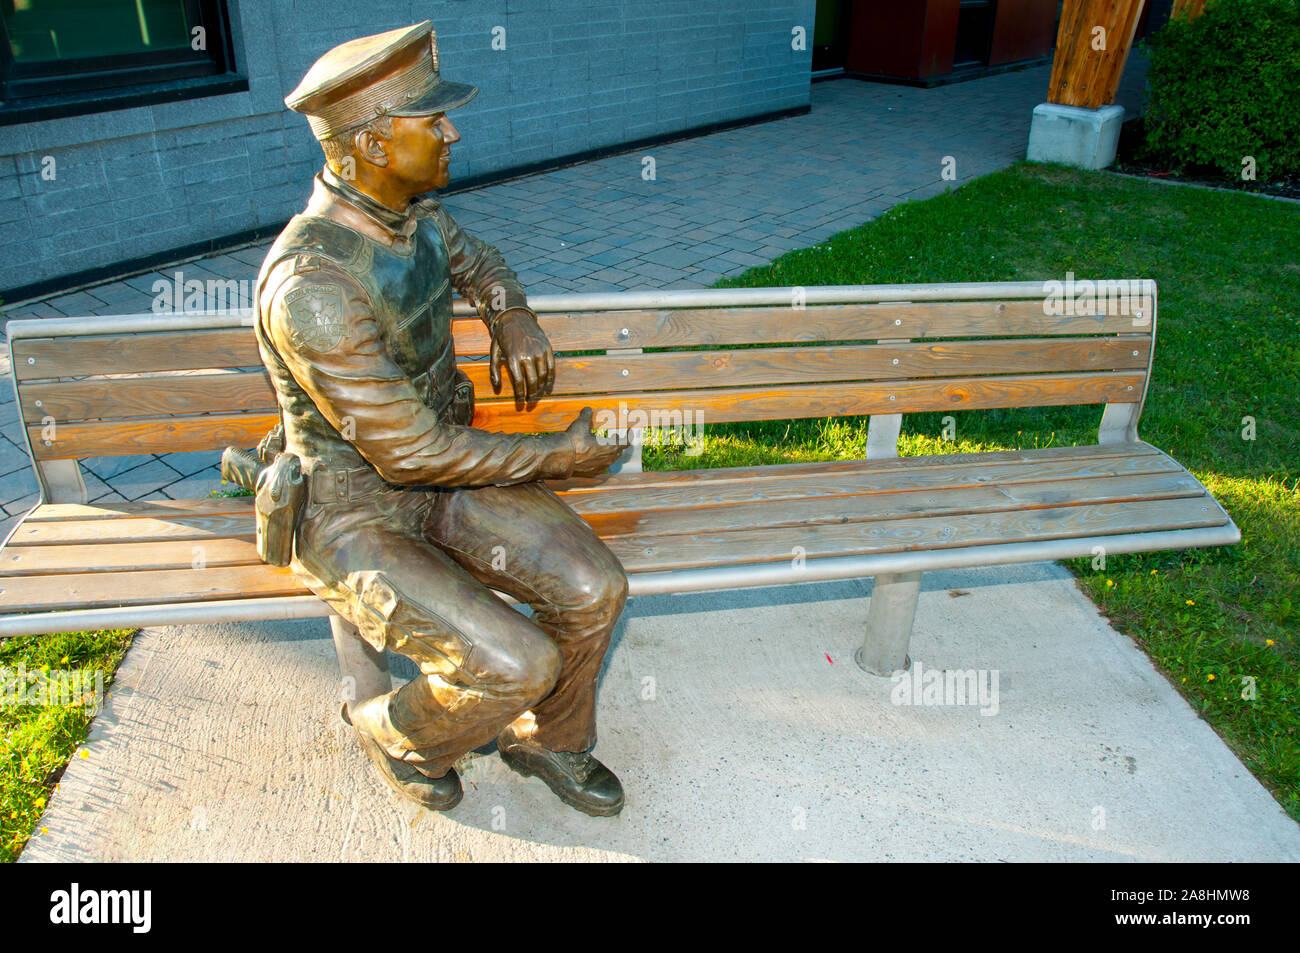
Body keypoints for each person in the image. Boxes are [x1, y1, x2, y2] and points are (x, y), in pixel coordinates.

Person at [255, 21, 629, 816]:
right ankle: (394, 730)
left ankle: (548, 739)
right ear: (375, 146)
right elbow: (412, 450)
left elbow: (481, 264)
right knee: (518, 659)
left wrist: (511, 314)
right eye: (432, 120)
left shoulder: (413, 216)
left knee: (595, 586)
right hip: (356, 513)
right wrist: (555, 456)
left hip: (441, 486)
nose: (452, 130)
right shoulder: (313, 287)